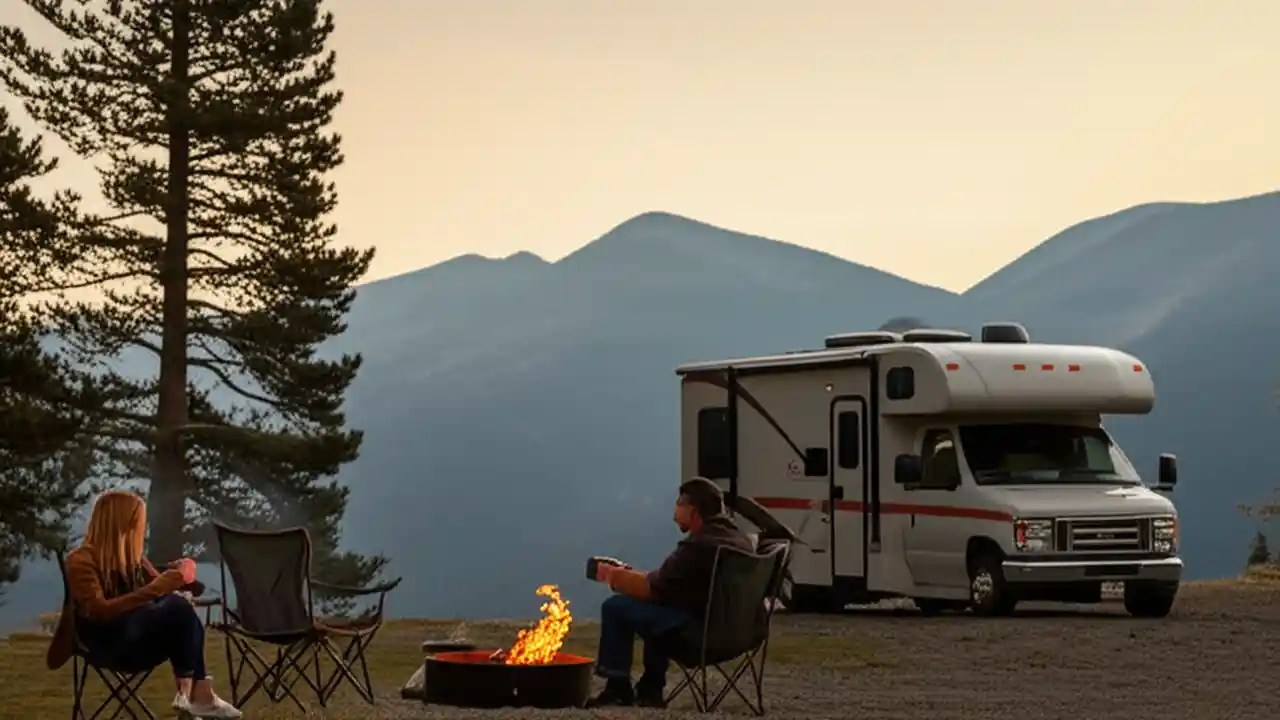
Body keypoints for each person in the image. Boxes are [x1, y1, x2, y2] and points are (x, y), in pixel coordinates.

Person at [46, 490, 242, 719]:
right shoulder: (80, 560)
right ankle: (197, 696)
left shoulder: (133, 560)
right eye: (138, 523)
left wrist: (183, 574)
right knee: (178, 607)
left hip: (140, 644)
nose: (141, 529)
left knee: (180, 609)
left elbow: (168, 592)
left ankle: (190, 696)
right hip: (105, 645)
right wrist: (162, 586)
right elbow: (99, 610)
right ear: (123, 524)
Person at [587, 477, 755, 708]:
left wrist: (614, 577)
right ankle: (649, 690)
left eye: (679, 504)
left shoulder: (698, 547)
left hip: (702, 637)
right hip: (740, 633)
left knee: (616, 607)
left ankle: (618, 687)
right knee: (660, 611)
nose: (675, 509)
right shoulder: (738, 539)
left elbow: (653, 589)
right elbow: (670, 585)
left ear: (693, 510)